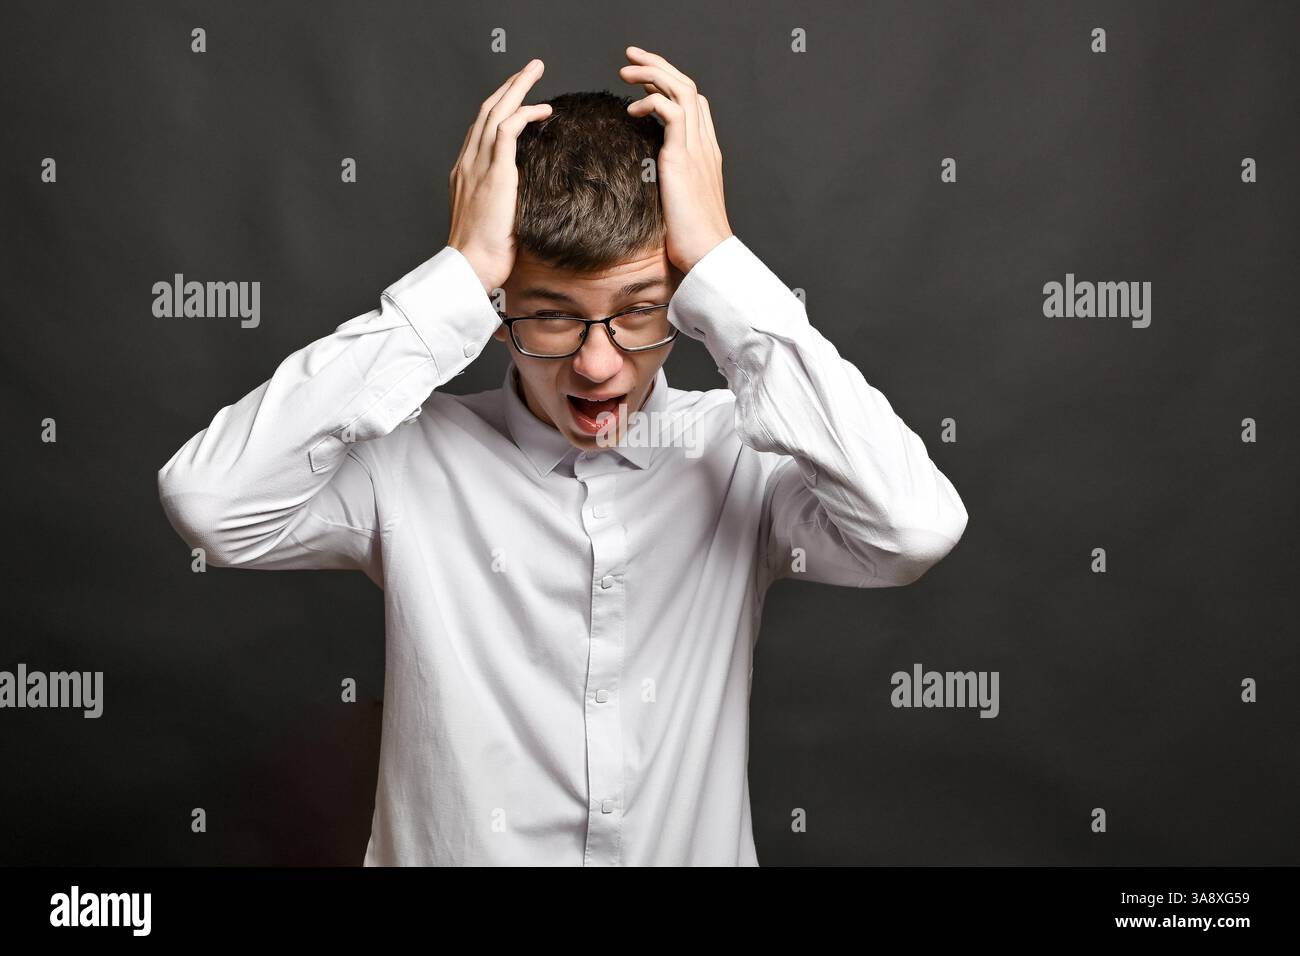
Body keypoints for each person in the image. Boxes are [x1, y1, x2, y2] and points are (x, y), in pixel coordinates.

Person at [157, 48, 969, 866]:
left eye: (639, 310)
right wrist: (459, 272)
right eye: (552, 316)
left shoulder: (737, 455)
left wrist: (722, 258)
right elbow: (211, 506)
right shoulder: (403, 459)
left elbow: (913, 530)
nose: (597, 364)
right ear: (500, 304)